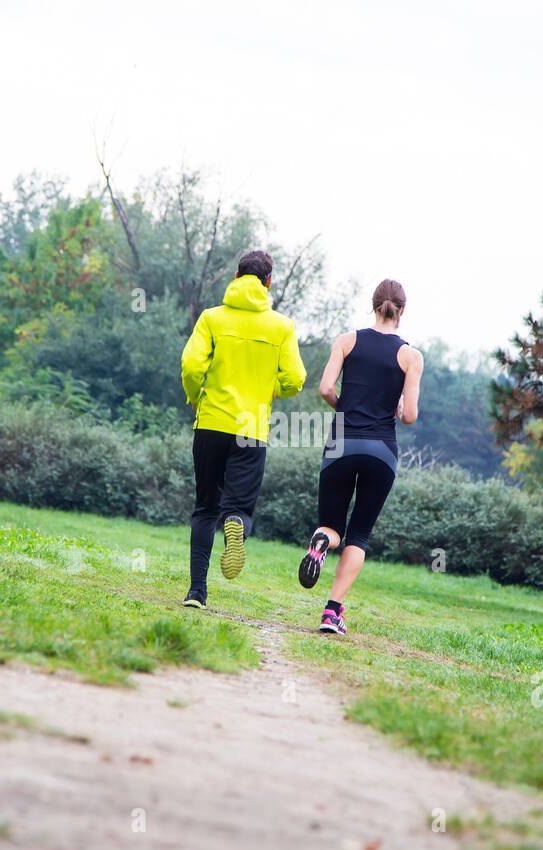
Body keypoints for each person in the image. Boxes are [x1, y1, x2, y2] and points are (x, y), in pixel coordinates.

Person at [179, 250, 307, 609]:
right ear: (269, 282)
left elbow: (190, 364)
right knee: (238, 507)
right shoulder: (282, 327)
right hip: (251, 427)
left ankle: (196, 593)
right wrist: (271, 390)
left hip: (212, 421)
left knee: (205, 507)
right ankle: (235, 522)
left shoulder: (212, 318)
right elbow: (296, 379)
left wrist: (195, 395)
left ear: (236, 275)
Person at [297, 279, 423, 634]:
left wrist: (346, 408)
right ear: (402, 311)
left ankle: (321, 544)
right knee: (360, 534)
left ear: (373, 305)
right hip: (381, 450)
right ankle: (332, 612)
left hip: (341, 442)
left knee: (332, 526)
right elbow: (410, 415)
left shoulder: (346, 340)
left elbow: (324, 388)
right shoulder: (411, 356)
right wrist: (396, 406)